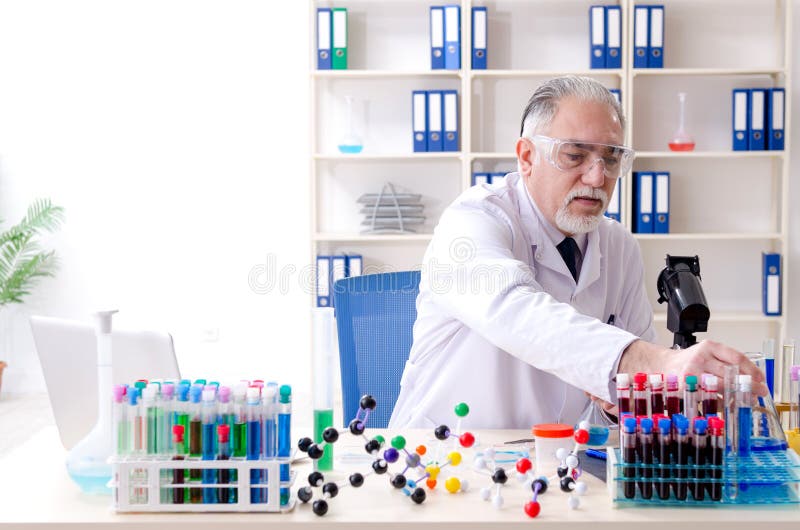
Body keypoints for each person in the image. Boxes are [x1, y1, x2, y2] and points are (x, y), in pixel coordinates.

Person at [389, 75, 766, 429]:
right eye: (574, 156)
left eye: (611, 158)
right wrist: (652, 363)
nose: (597, 177)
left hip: (559, 465)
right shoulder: (473, 221)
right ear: (526, 157)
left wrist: (637, 398)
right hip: (446, 460)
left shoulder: (619, 246)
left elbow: (626, 398)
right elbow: (514, 310)